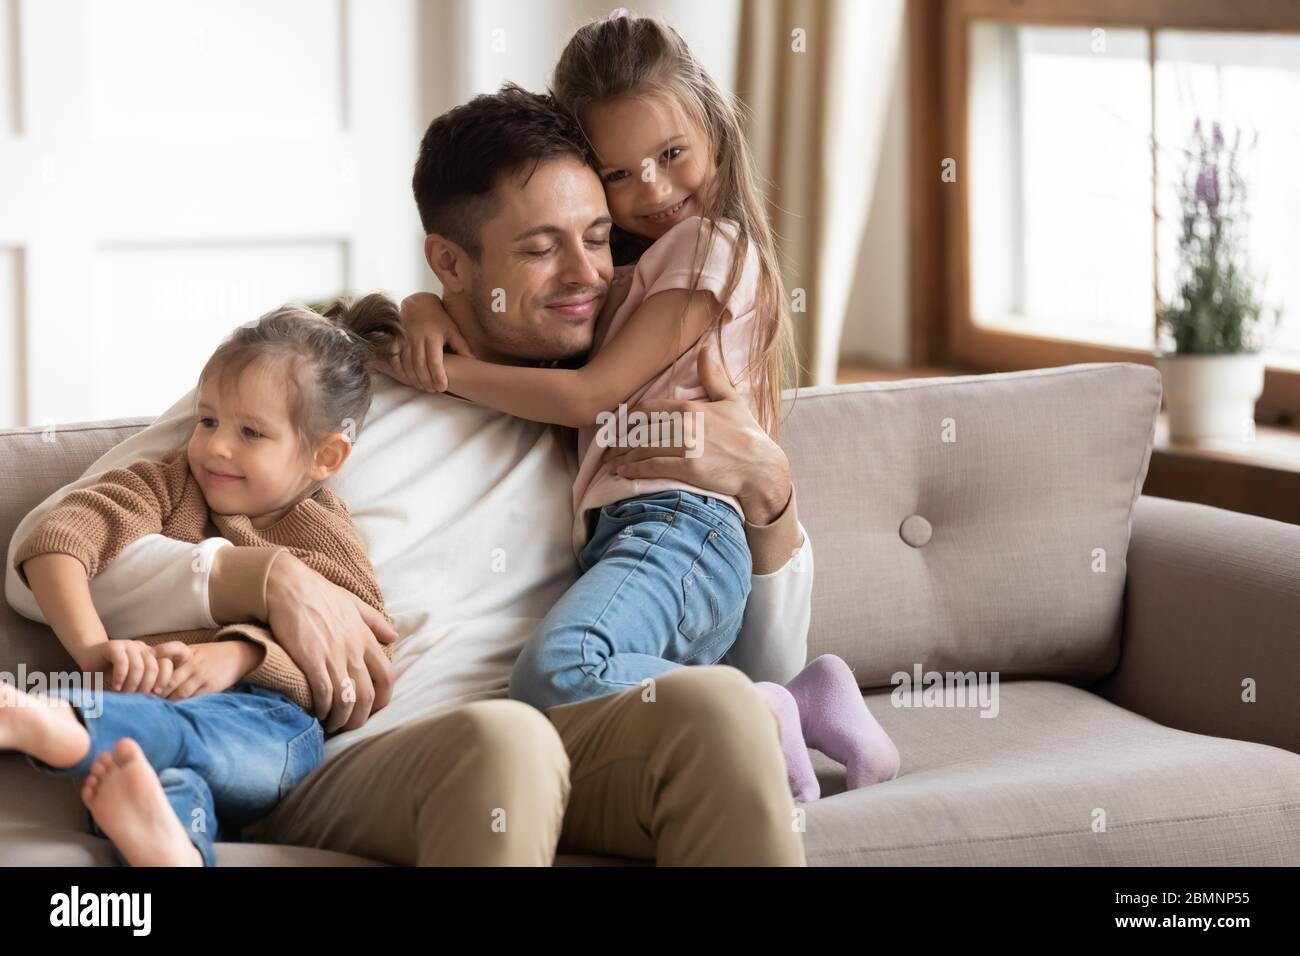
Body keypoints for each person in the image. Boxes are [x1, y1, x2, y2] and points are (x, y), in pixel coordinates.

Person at [7, 86, 814, 865]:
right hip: (353, 759)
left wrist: (769, 501)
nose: (587, 275)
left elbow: (765, 677)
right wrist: (265, 579)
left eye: (599, 238)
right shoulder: (320, 385)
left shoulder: (613, 423)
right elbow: (37, 558)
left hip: (565, 743)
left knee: (718, 708)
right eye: (541, 249)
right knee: (506, 743)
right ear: (449, 263)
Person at [2, 296, 398, 866]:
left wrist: (238, 657)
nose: (216, 446)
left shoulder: (326, 534)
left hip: (264, 728)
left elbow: (355, 666)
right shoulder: (164, 486)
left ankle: (67, 722)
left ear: (326, 456)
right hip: (143, 707)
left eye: (251, 432)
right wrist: (93, 651)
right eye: (207, 420)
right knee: (151, 777)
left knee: (170, 739)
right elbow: (55, 542)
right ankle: (174, 851)